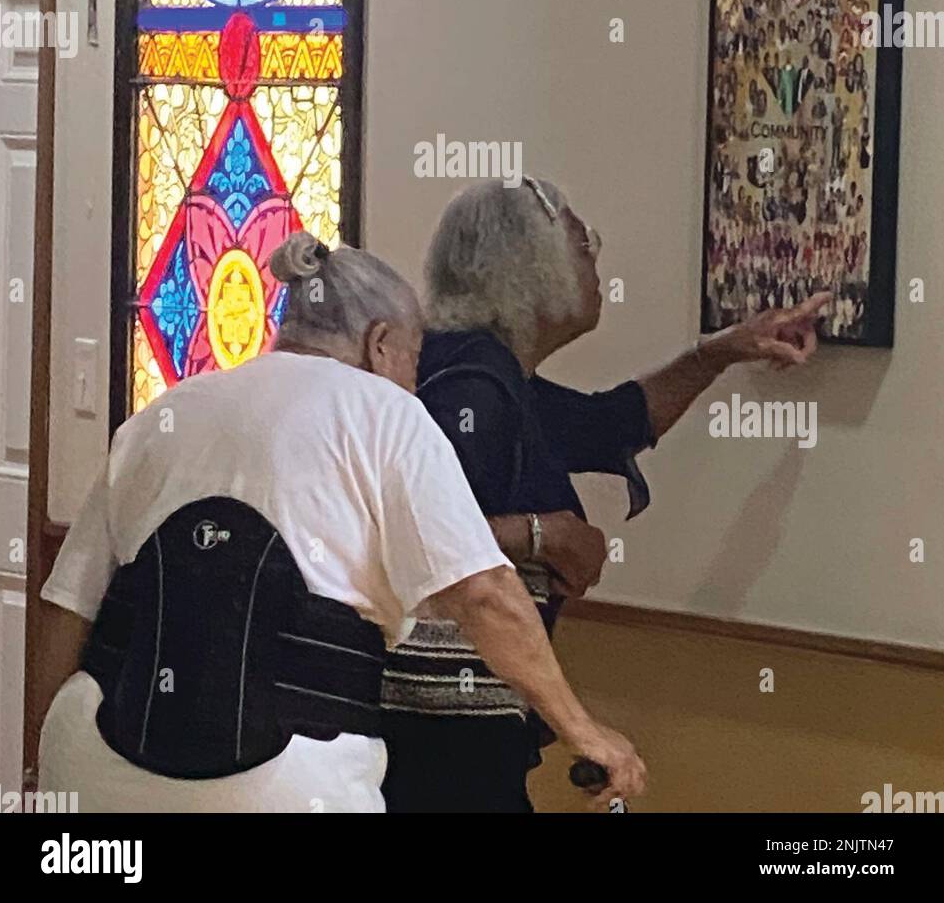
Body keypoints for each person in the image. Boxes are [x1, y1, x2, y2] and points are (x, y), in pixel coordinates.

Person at [37, 232, 644, 813]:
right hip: (281, 780)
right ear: (380, 343)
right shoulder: (388, 415)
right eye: (414, 359)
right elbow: (485, 596)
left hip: (92, 763)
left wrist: (38, 774)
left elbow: (69, 608)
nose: (416, 381)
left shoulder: (161, 415)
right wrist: (583, 730)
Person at [381, 179, 828, 813]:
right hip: (438, 727)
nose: (595, 262)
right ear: (530, 268)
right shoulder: (469, 388)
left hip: (468, 722)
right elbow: (415, 535)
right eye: (582, 244)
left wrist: (724, 351)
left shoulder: (495, 372)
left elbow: (611, 424)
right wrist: (550, 534)